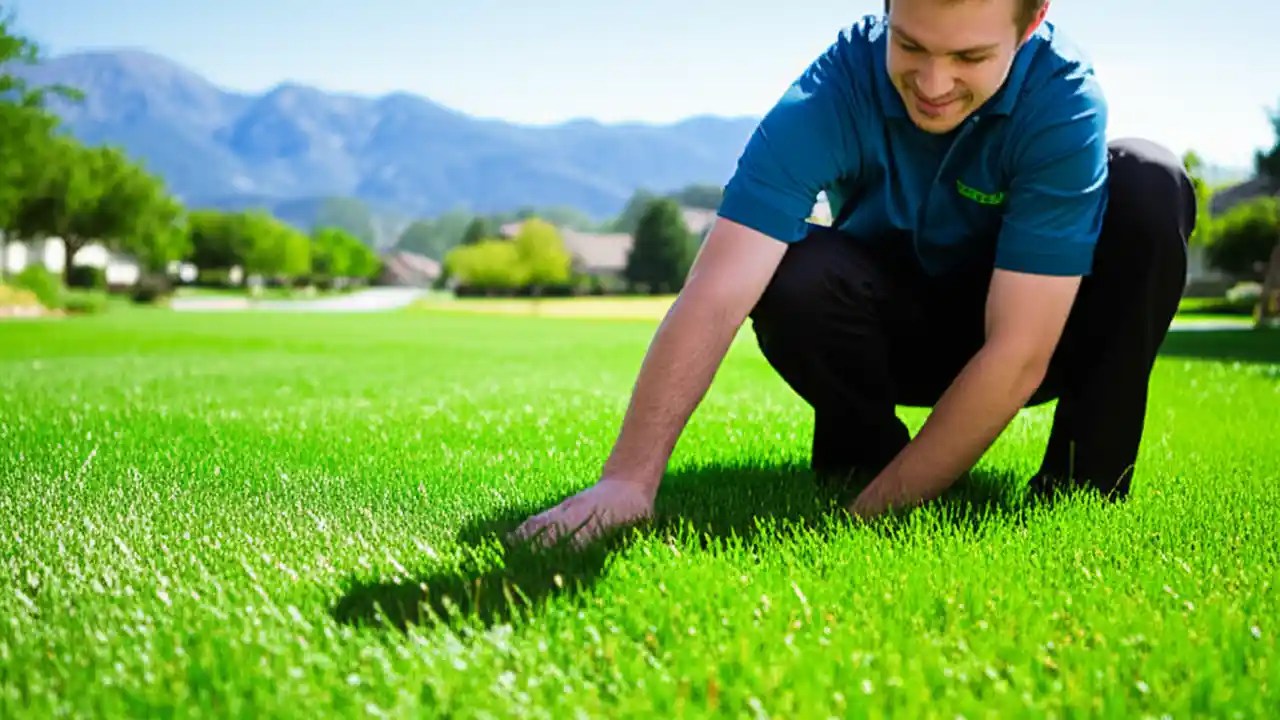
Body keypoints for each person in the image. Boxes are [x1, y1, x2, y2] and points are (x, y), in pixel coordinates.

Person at [510, 0, 1194, 547]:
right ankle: (861, 457)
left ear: (1033, 21)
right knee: (790, 266)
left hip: (1027, 336)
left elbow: (1018, 350)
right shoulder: (836, 84)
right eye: (912, 46)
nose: (933, 84)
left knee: (1148, 182)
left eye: (970, 56)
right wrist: (628, 481)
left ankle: (1081, 486)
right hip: (893, 332)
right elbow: (717, 290)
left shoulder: (1062, 99)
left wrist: (866, 525)